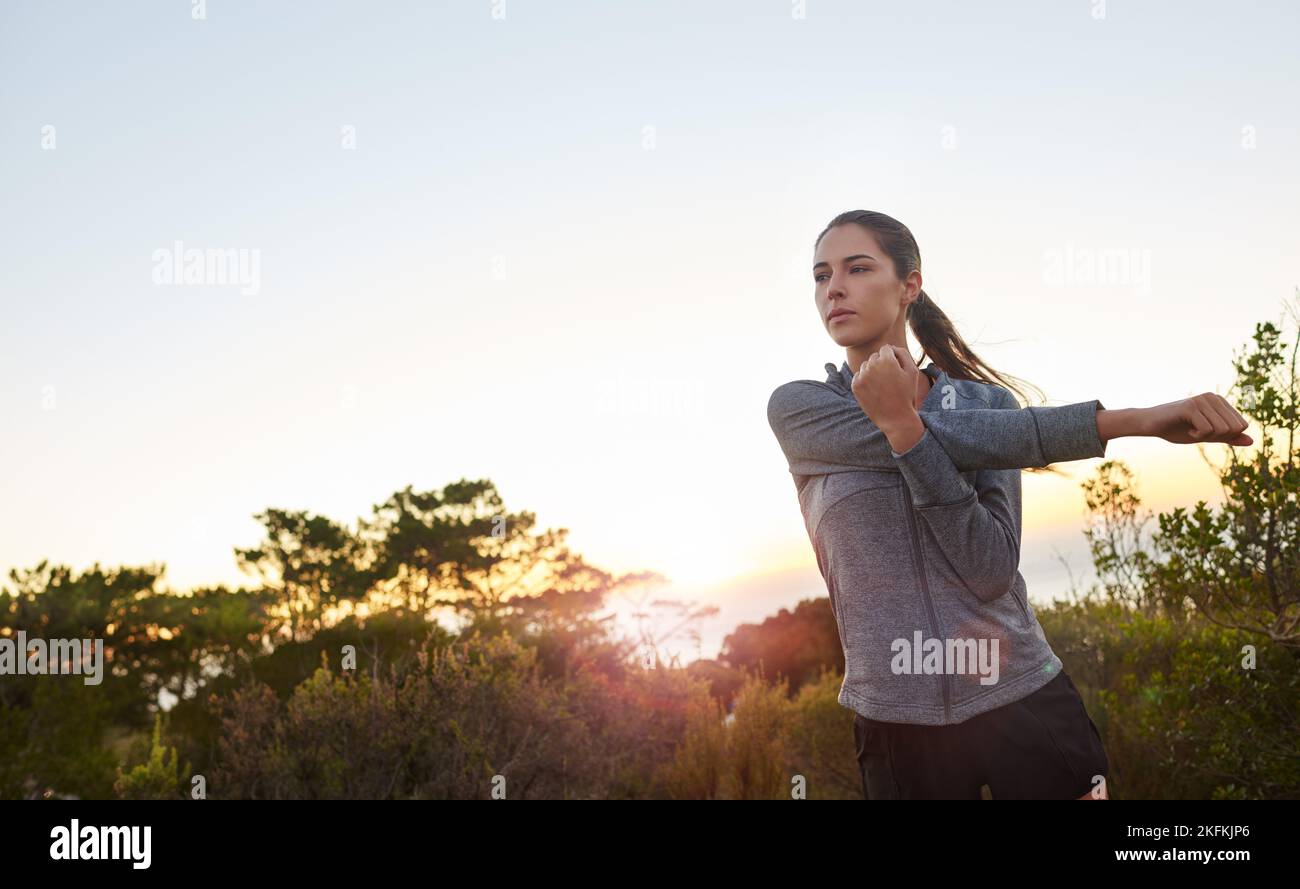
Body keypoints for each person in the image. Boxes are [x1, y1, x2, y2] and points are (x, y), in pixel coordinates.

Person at [766, 210, 1252, 799]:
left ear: (909, 286)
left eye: (857, 268)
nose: (833, 288)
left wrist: (906, 434)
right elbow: (968, 439)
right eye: (821, 276)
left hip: (1021, 695)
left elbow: (990, 568)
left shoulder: (986, 404)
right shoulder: (802, 412)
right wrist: (1134, 421)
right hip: (896, 720)